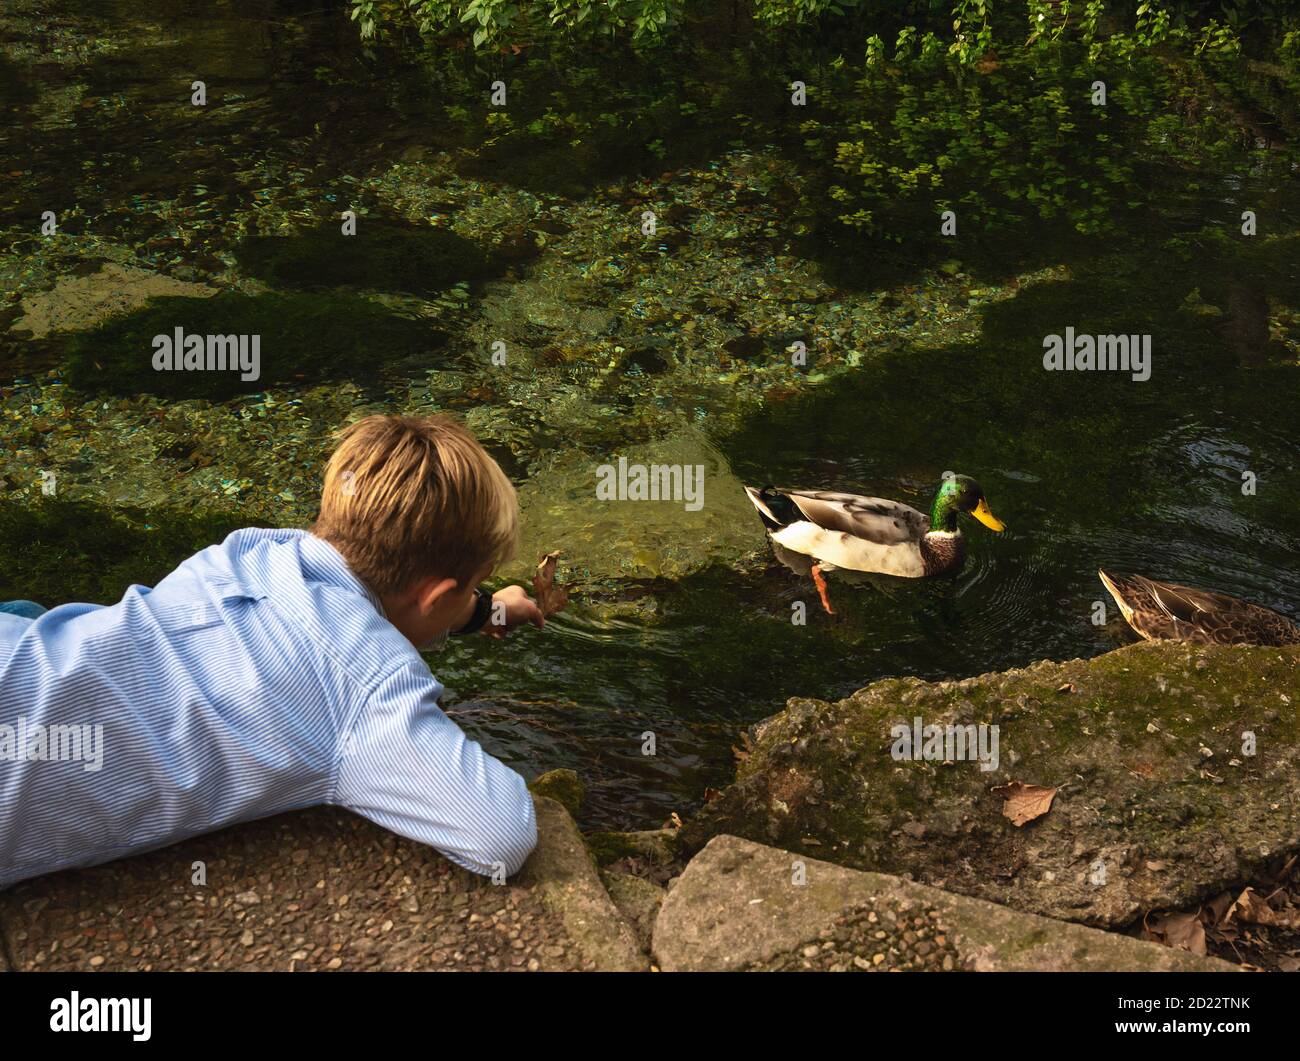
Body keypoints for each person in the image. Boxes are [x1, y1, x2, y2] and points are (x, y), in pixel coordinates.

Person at [0, 414, 545, 889]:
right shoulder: (368, 689)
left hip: (25, 659)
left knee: (37, 616)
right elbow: (500, 834)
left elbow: (391, 596)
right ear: (439, 593)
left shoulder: (251, 549)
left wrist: (481, 610)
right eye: (473, 587)